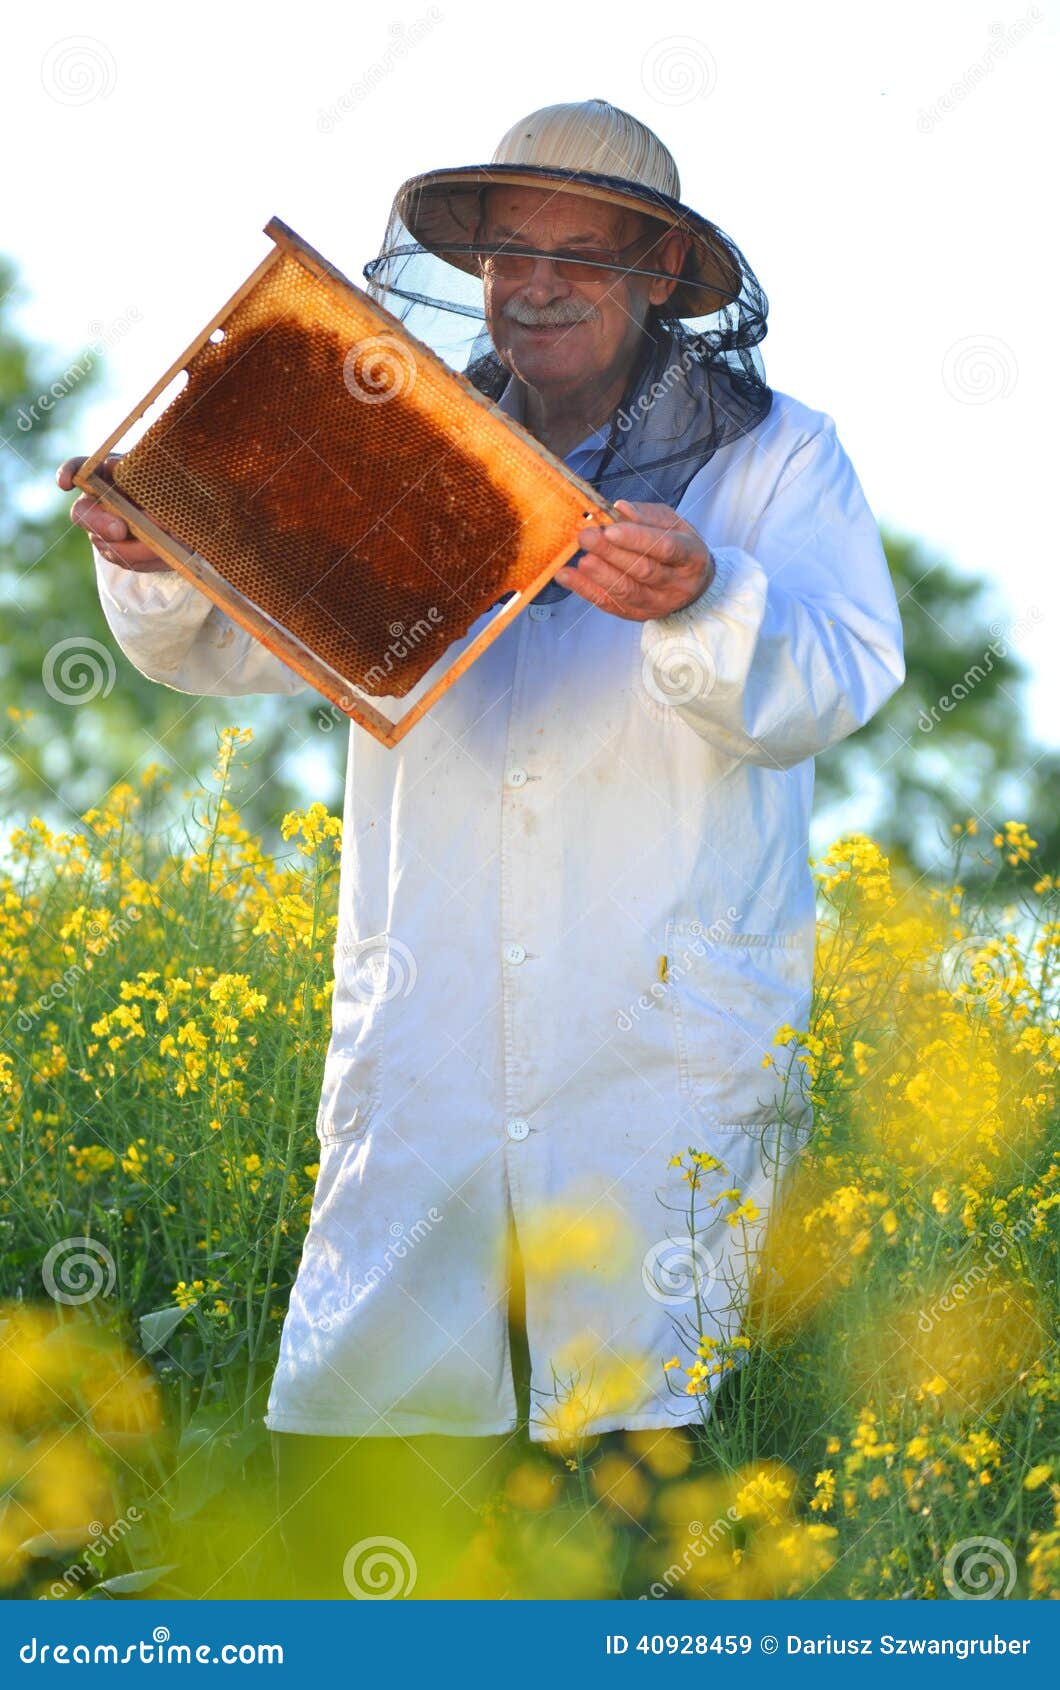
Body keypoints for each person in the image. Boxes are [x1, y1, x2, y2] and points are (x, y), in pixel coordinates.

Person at [59, 98, 905, 1598]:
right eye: (511, 250)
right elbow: (234, 642)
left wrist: (708, 591)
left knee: (640, 1515)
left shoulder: (779, 459)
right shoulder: (400, 447)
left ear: (659, 274)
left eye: (583, 254)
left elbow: (834, 682)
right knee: (377, 1515)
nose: (538, 283)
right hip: (431, 1048)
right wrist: (162, 549)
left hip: (653, 1058)